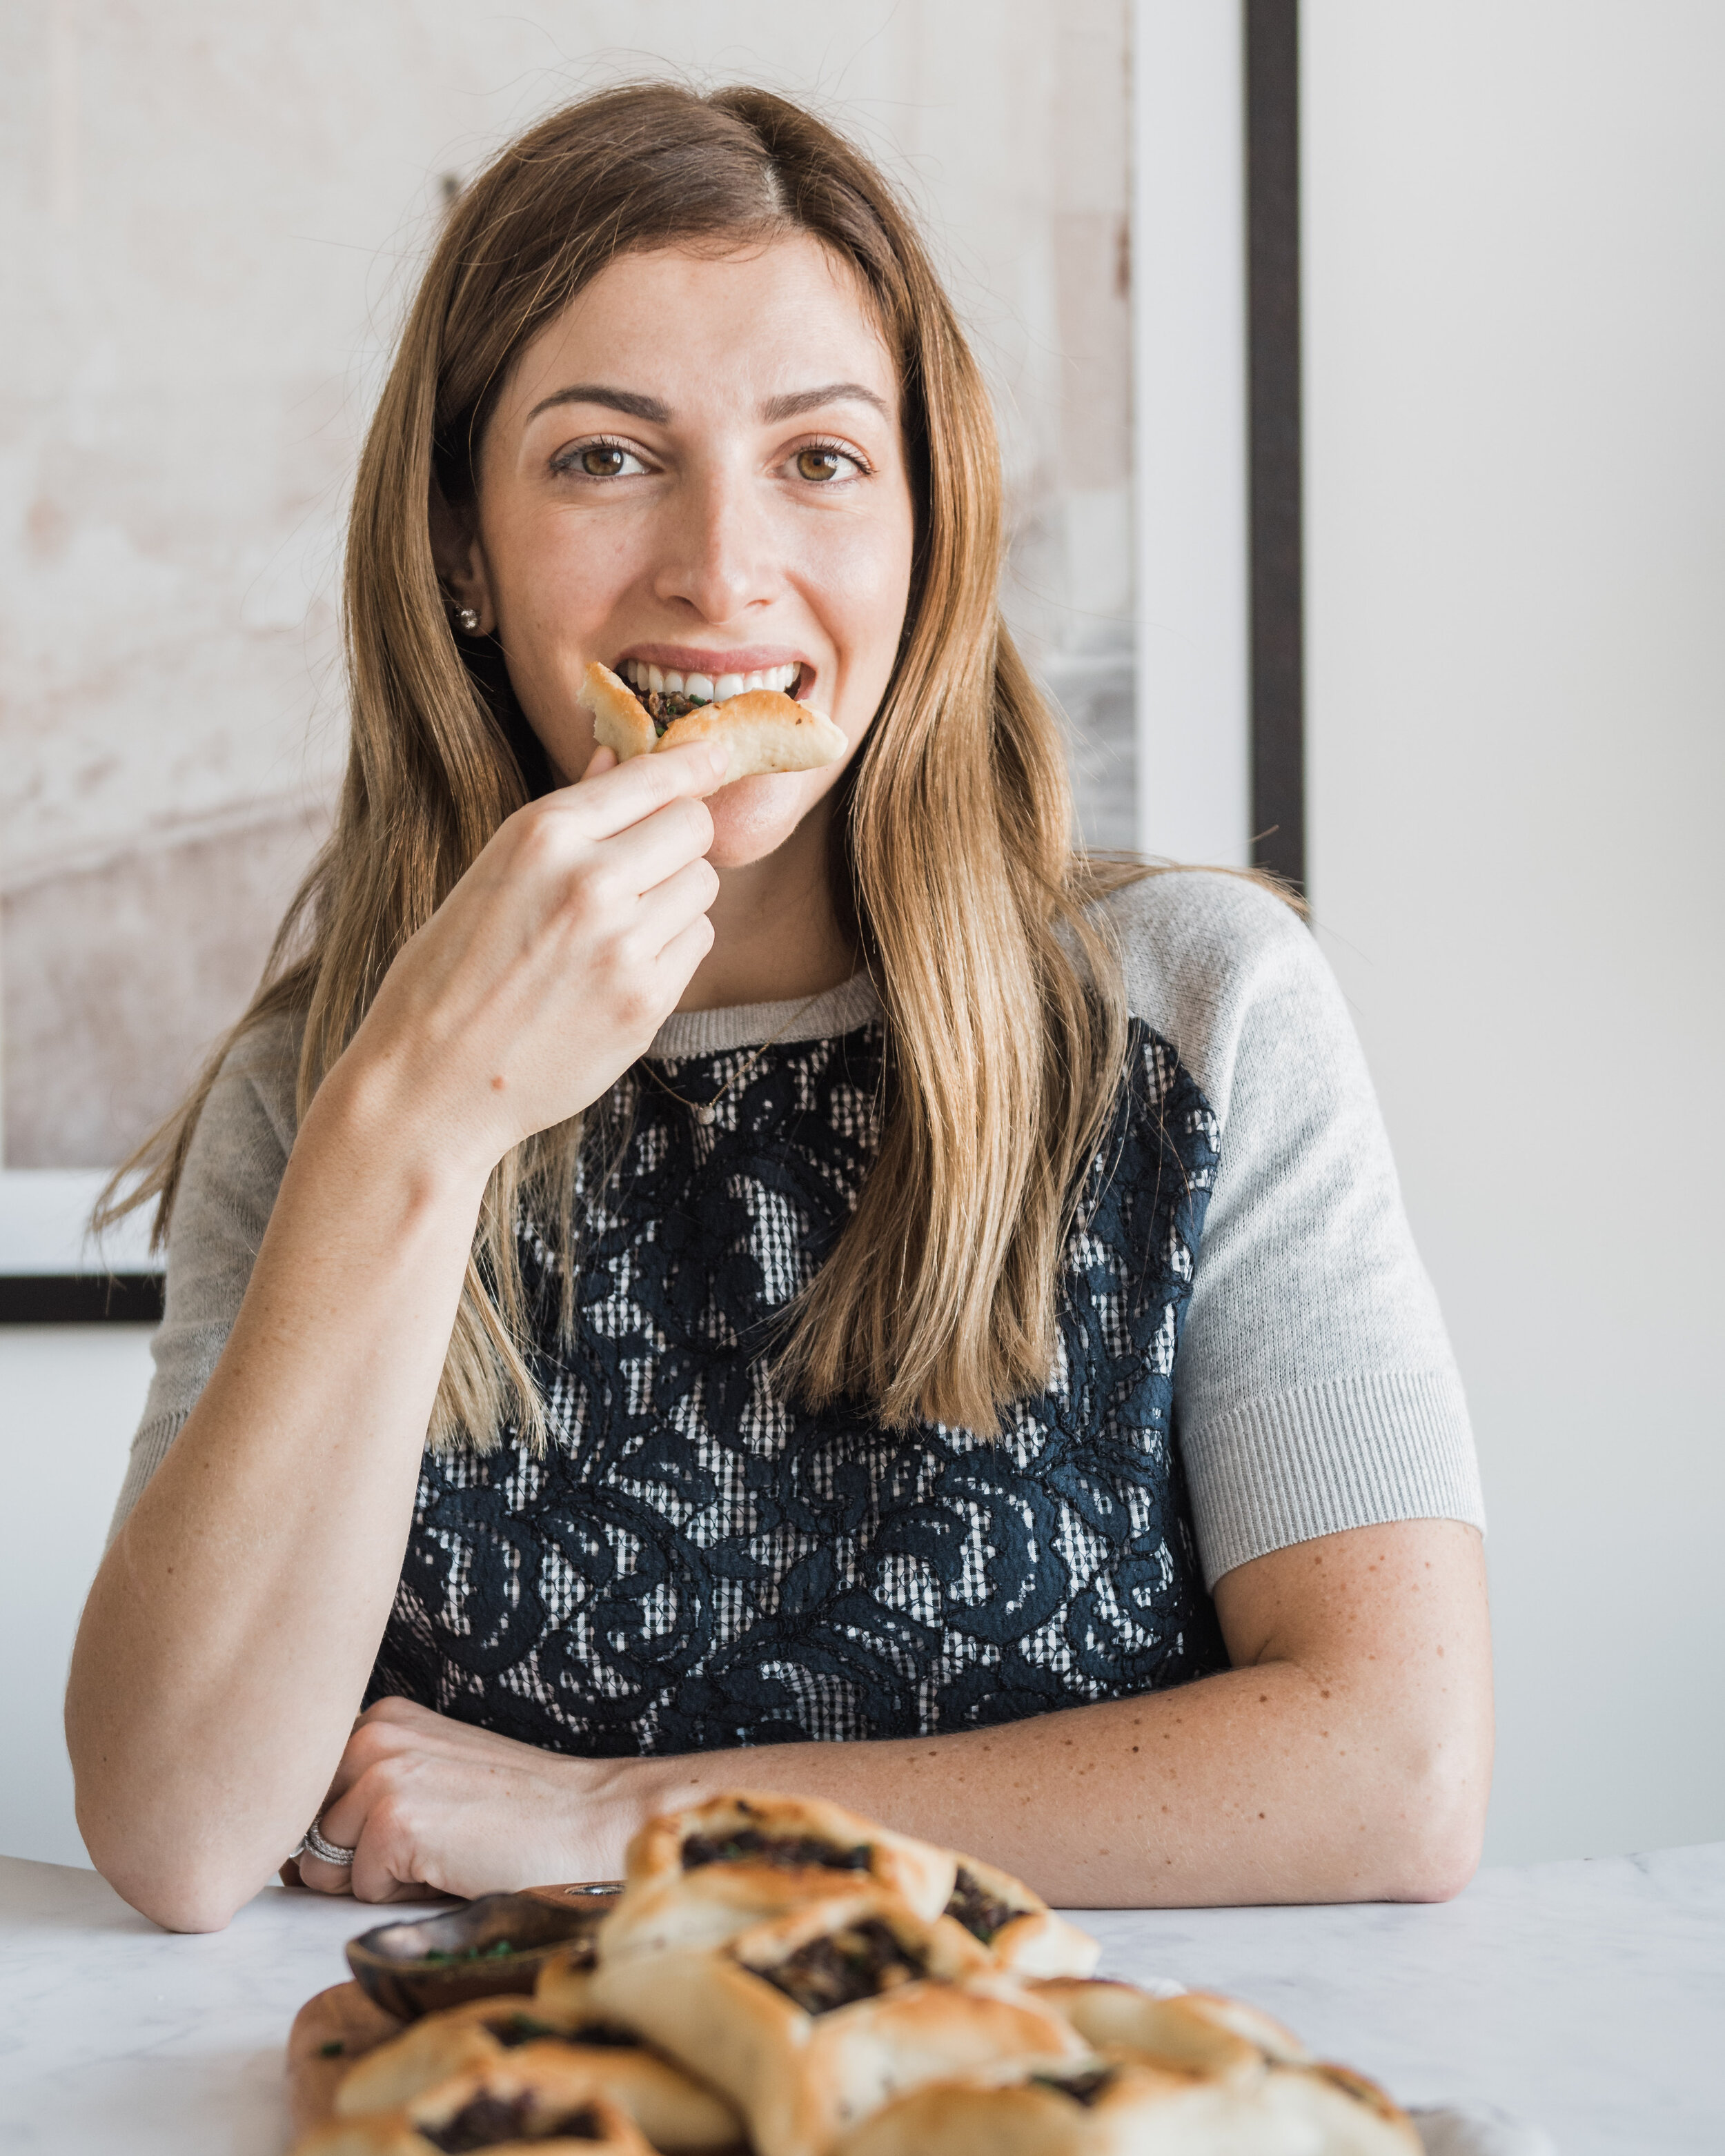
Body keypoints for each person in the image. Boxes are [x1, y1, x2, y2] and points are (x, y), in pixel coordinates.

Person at [66, 83, 1490, 1935]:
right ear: (461, 550)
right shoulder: (323, 1088)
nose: (721, 570)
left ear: (925, 535)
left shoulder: (1201, 1014)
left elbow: (1395, 1768)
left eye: (820, 459)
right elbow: (179, 1833)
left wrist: (631, 1816)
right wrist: (413, 1119)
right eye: (604, 457)